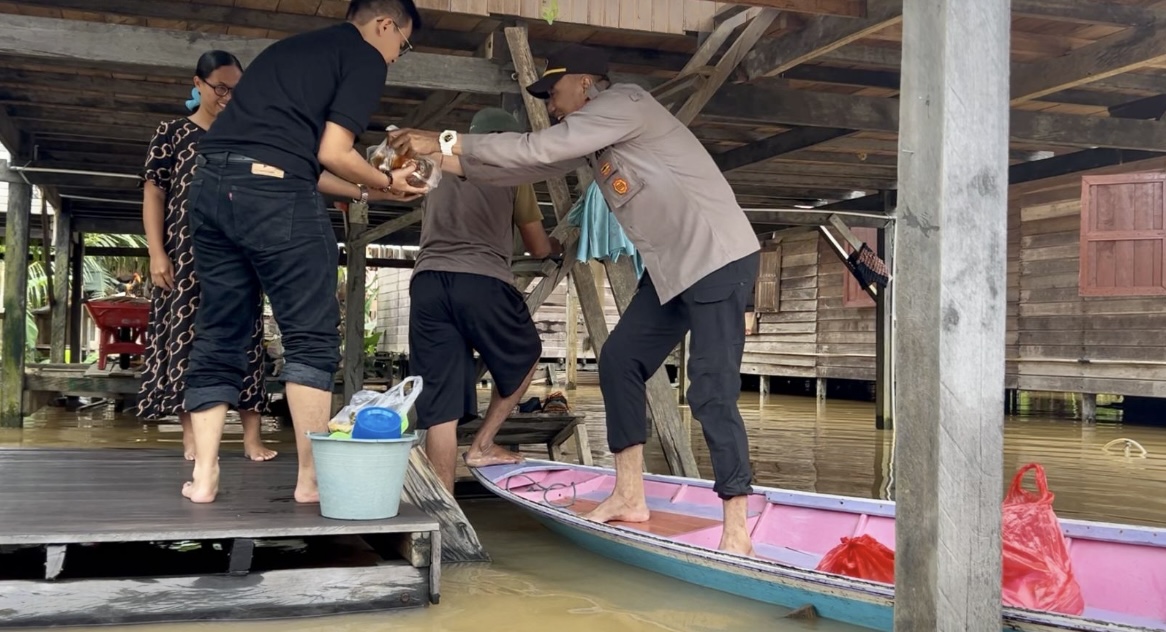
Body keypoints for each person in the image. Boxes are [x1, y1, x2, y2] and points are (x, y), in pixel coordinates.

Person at [389, 44, 761, 556]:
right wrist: (435, 158)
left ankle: (736, 528)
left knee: (711, 391)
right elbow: (514, 168)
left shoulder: (625, 103)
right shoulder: (592, 138)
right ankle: (629, 494)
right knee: (619, 360)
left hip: (717, 258)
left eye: (555, 92)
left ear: (585, 83)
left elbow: (537, 147)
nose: (550, 105)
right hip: (671, 271)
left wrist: (444, 138)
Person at [179, 0, 429, 504]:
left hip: (210, 185)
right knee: (310, 336)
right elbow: (332, 152)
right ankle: (312, 480)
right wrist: (388, 179)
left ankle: (203, 478)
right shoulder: (363, 56)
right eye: (402, 45)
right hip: (275, 195)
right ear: (384, 24)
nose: (396, 57)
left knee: (220, 329)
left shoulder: (289, 52)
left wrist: (367, 190)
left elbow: (295, 162)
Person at [409, 107, 563, 493]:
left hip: (428, 281)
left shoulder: (436, 166)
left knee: (440, 405)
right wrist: (557, 245)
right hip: (480, 278)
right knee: (525, 353)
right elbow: (537, 246)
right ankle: (482, 445)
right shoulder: (511, 169)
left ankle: (443, 505)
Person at [137, 50, 277, 464]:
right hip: (184, 256)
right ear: (198, 84)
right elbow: (154, 194)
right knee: (184, 338)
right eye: (220, 88)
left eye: (237, 90)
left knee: (246, 338)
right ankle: (193, 438)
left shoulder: (249, 136)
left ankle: (251, 436)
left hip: (239, 255)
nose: (228, 98)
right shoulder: (172, 133)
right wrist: (157, 252)